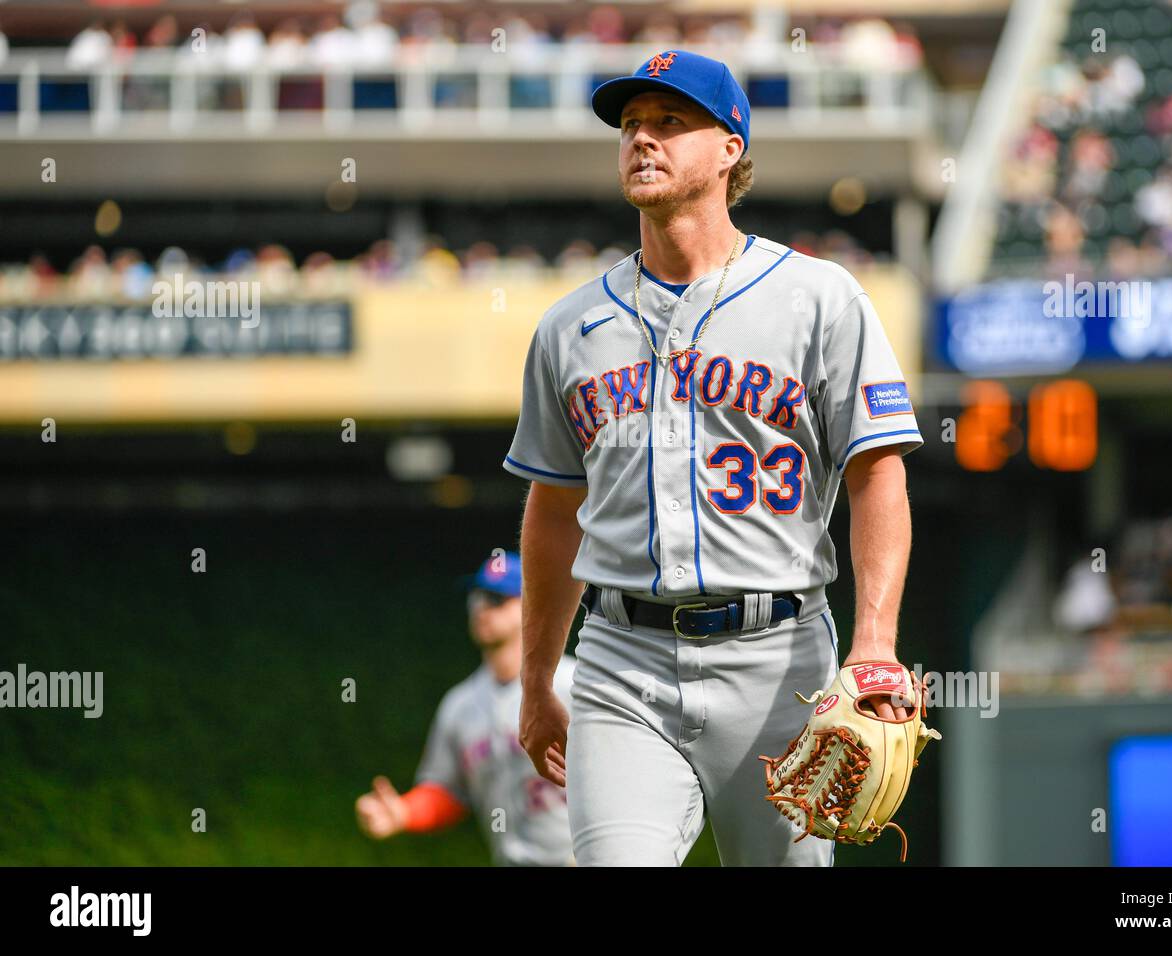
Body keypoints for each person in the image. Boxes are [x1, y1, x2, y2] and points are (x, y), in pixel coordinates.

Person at [503, 50, 924, 866]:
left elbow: (879, 470)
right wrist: (536, 679)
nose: (642, 140)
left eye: (669, 122)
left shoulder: (820, 296)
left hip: (781, 659)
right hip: (622, 662)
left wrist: (874, 643)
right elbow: (554, 512)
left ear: (730, 148)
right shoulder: (569, 327)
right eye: (630, 125)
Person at [355, 552, 576, 866]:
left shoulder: (574, 684)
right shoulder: (459, 705)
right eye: (476, 598)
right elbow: (448, 790)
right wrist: (404, 812)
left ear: (532, 604)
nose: (482, 608)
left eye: (496, 598)